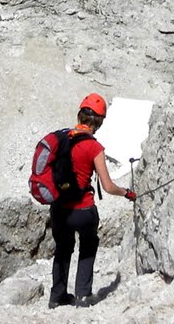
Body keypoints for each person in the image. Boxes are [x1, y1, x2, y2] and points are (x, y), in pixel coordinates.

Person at [49, 93, 136, 309]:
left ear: (80, 115)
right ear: (98, 122)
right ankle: (83, 296)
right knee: (88, 246)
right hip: (83, 209)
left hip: (59, 208)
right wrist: (126, 192)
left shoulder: (61, 138)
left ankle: (57, 296)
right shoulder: (94, 147)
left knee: (62, 248)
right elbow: (107, 186)